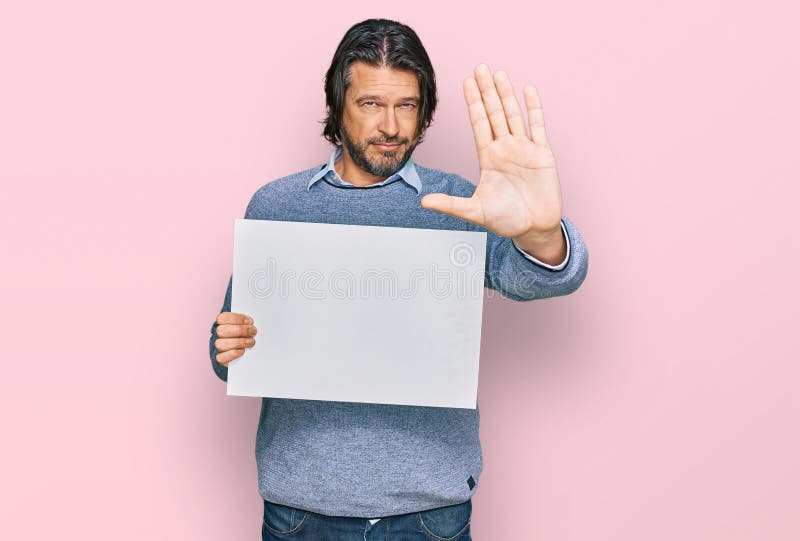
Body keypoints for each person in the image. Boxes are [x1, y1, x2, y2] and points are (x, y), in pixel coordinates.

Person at [209, 18, 589, 541]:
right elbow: (234, 356)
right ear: (337, 106)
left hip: (430, 517)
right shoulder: (276, 205)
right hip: (300, 514)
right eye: (370, 104)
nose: (390, 125)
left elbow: (542, 278)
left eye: (406, 105)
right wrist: (226, 346)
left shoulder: (461, 203)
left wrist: (542, 232)